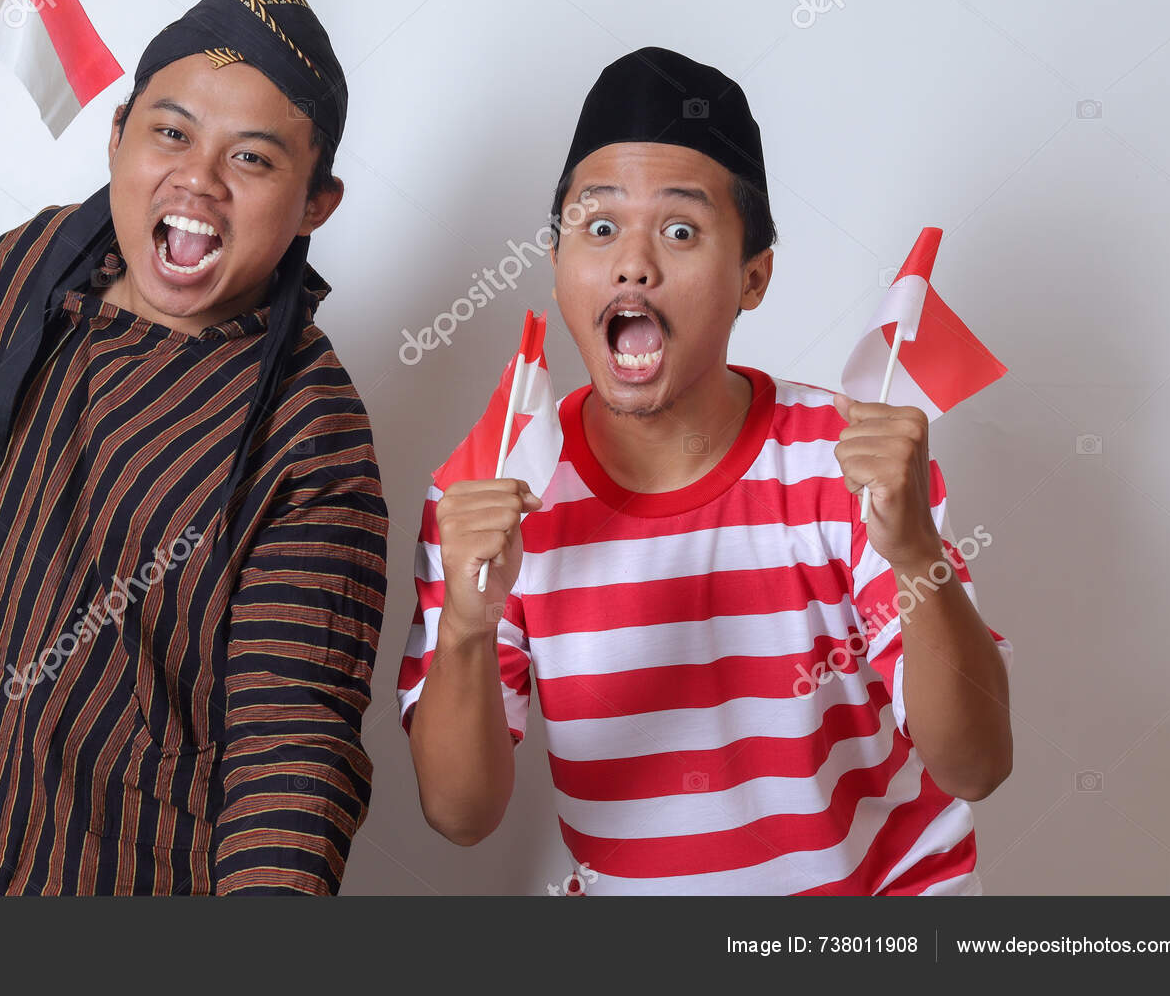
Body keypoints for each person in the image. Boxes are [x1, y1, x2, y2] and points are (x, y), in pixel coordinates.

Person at [0, 0, 387, 895]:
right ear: (116, 135)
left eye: (252, 158)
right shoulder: (37, 264)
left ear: (317, 203)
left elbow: (292, 751)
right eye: (172, 132)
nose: (198, 177)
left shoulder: (310, 432)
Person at [398, 47, 1012, 895]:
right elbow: (460, 815)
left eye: (680, 230)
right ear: (556, 258)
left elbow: (977, 763)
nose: (633, 262)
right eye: (599, 225)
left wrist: (912, 553)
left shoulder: (854, 460)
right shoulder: (490, 489)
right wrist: (468, 622)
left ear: (752, 275)